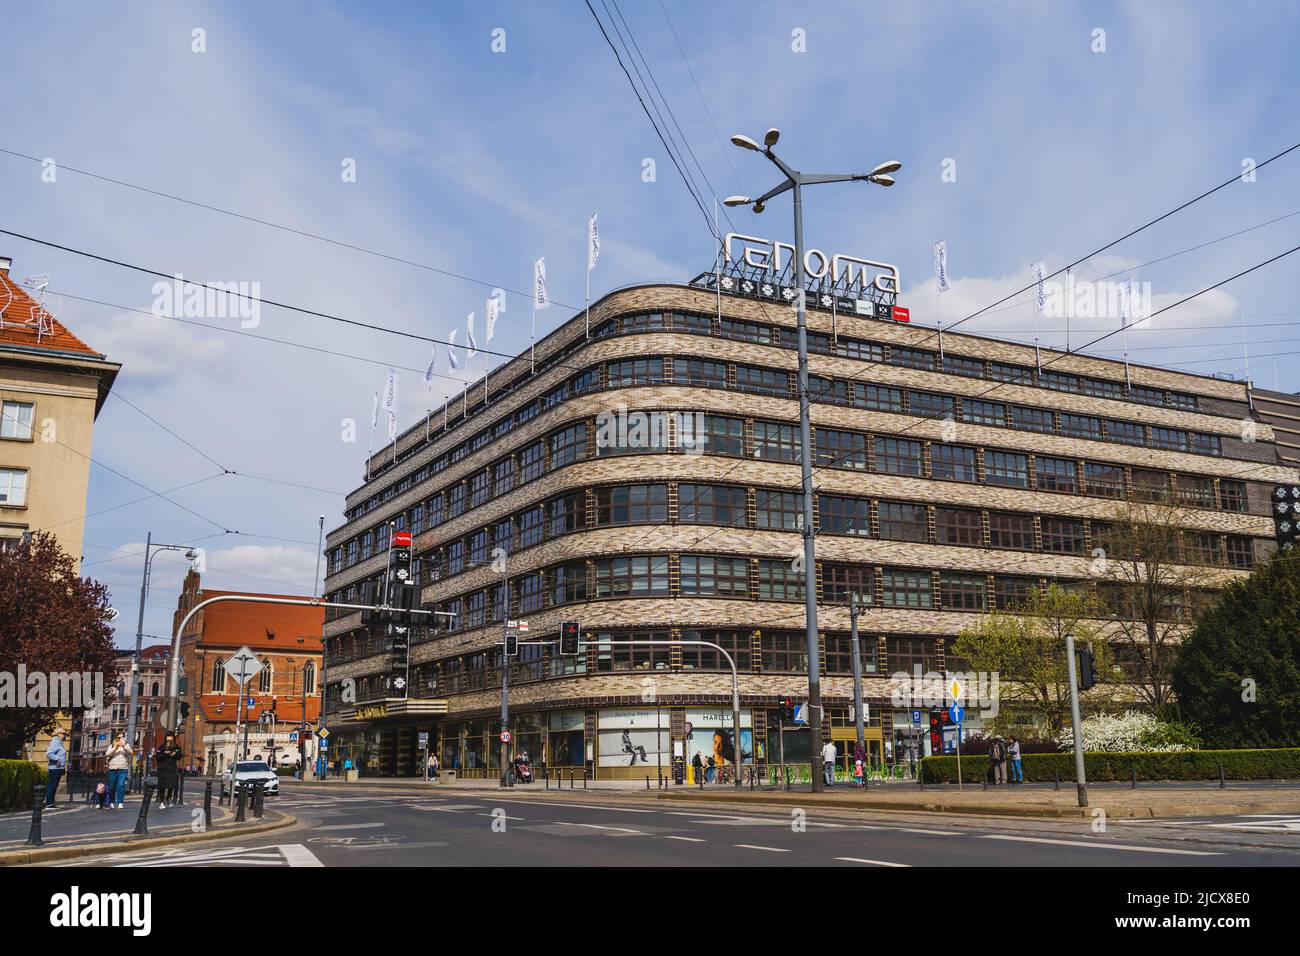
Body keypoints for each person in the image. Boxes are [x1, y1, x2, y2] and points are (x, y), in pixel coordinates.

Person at [155, 733, 183, 808]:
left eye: (171, 737)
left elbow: (179, 754)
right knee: (162, 785)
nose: (170, 738)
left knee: (172, 784)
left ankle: (168, 798)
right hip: (163, 768)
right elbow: (157, 756)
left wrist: (175, 753)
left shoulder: (175, 746)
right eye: (168, 737)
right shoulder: (162, 747)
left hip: (172, 768)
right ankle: (161, 801)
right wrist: (165, 753)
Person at [106, 734, 132, 809]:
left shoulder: (126, 745)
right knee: (112, 787)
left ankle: (120, 802)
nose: (121, 739)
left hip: (123, 769)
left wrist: (124, 746)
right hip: (113, 769)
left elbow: (130, 752)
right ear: (116, 738)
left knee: (121, 785)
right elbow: (107, 754)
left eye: (122, 737)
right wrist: (115, 747)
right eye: (119, 737)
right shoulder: (111, 746)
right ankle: (111, 801)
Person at [44, 729, 68, 809]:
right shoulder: (55, 741)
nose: (65, 735)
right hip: (55, 768)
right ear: (58, 734)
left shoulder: (59, 742)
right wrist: (57, 758)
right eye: (63, 733)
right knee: (52, 785)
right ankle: (49, 804)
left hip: (58, 768)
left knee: (54, 785)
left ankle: (51, 803)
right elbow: (49, 753)